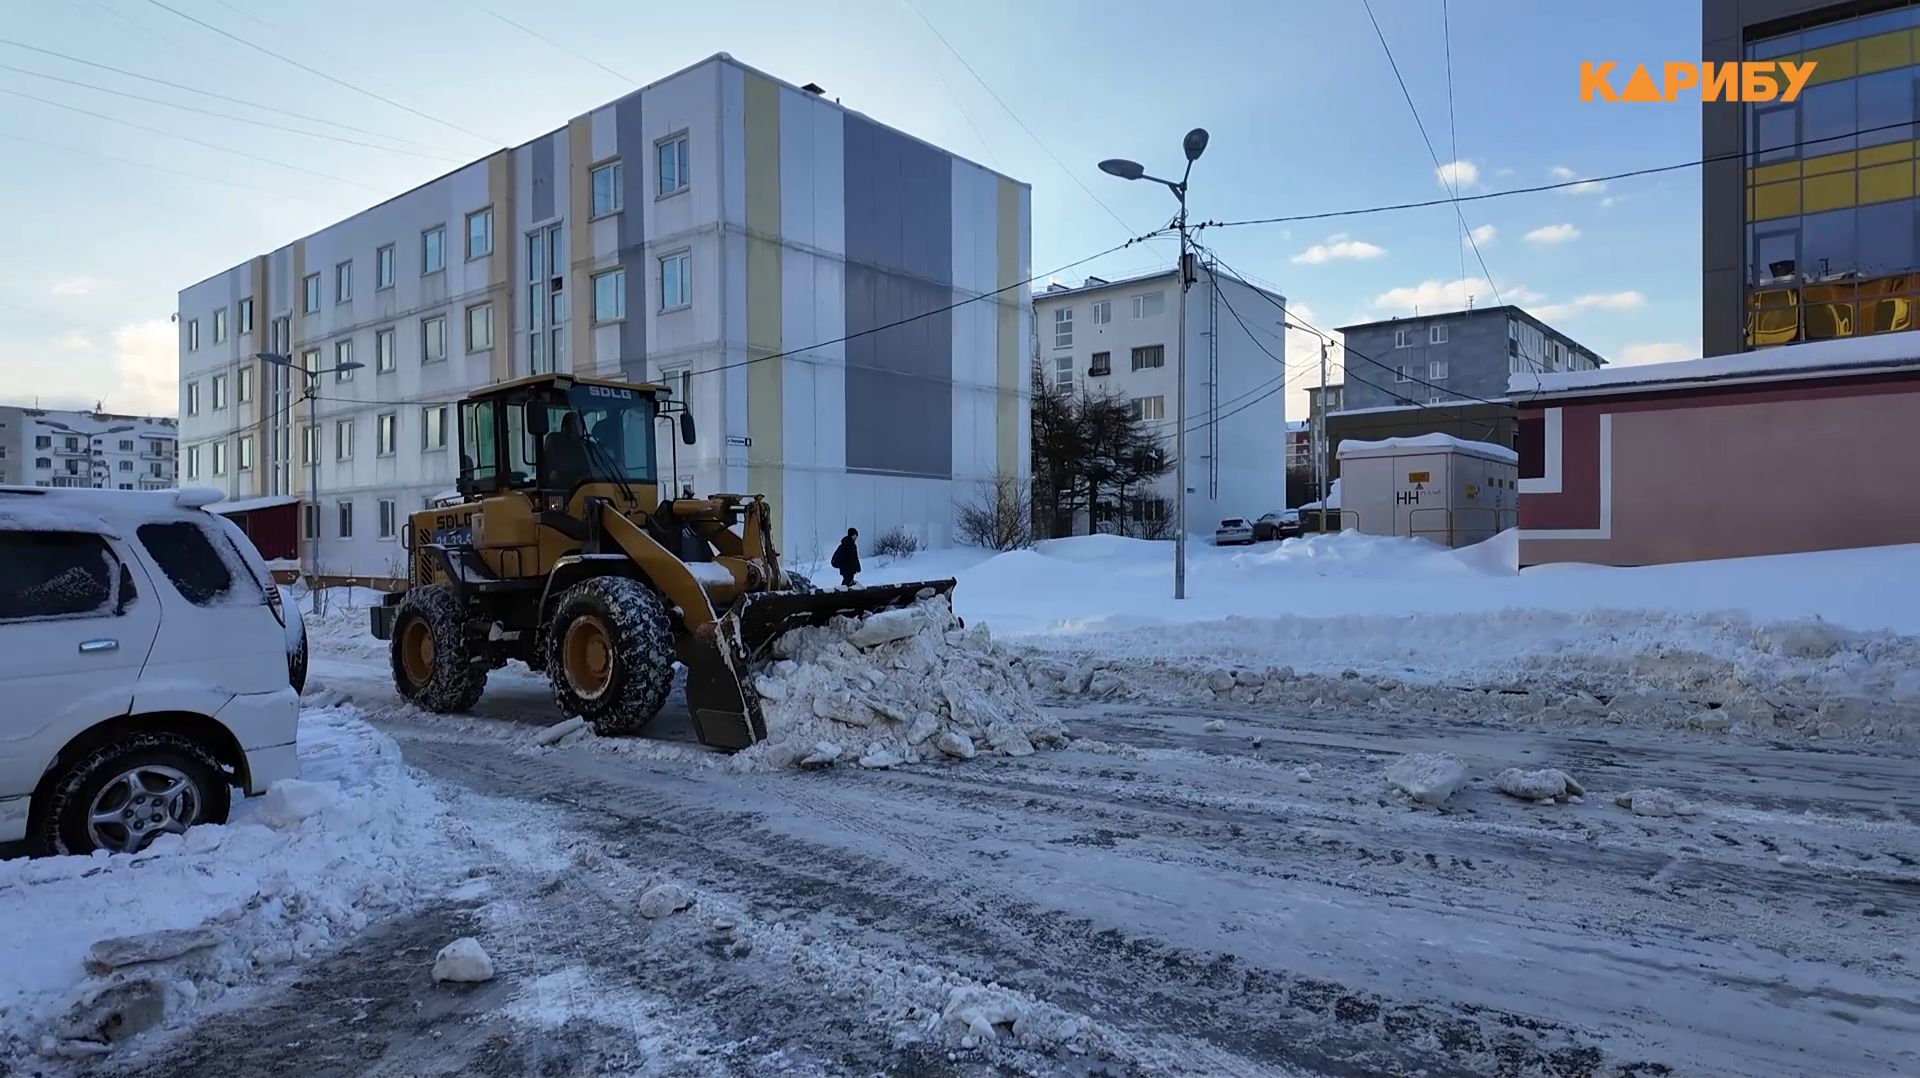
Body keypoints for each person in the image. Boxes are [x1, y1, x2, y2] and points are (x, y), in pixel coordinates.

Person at [543, 413, 589, 489]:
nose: (580, 429)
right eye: (576, 425)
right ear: (565, 428)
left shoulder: (588, 446)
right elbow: (553, 474)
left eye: (581, 425)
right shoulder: (556, 446)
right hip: (564, 490)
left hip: (588, 486)